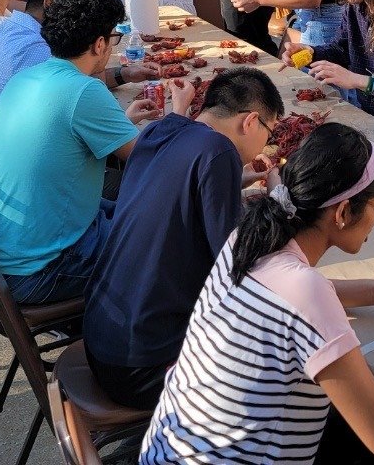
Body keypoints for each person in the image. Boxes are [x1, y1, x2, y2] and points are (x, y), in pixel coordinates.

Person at [138, 123, 374, 463]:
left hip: (169, 451)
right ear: (342, 212)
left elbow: (285, 302)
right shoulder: (307, 293)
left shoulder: (246, 237)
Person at [84, 67, 286, 409]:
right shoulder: (220, 151)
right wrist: (279, 200)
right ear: (251, 121)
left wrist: (233, 183)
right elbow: (238, 263)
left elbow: (176, 187)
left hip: (101, 339)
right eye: (270, 131)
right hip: (143, 367)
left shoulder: (162, 129)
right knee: (279, 363)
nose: (266, 144)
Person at [0, 0, 158, 303]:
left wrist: (120, 125)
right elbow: (153, 159)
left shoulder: (25, 77)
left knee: (135, 212)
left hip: (0, 258)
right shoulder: (85, 90)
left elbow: (62, 137)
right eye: (113, 39)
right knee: (168, 242)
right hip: (40, 271)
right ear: (99, 44)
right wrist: (180, 114)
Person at [0, 0, 138, 180]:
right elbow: (138, 152)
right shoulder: (39, 50)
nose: (86, 15)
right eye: (80, 6)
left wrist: (124, 74)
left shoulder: (10, 27)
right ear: (51, 6)